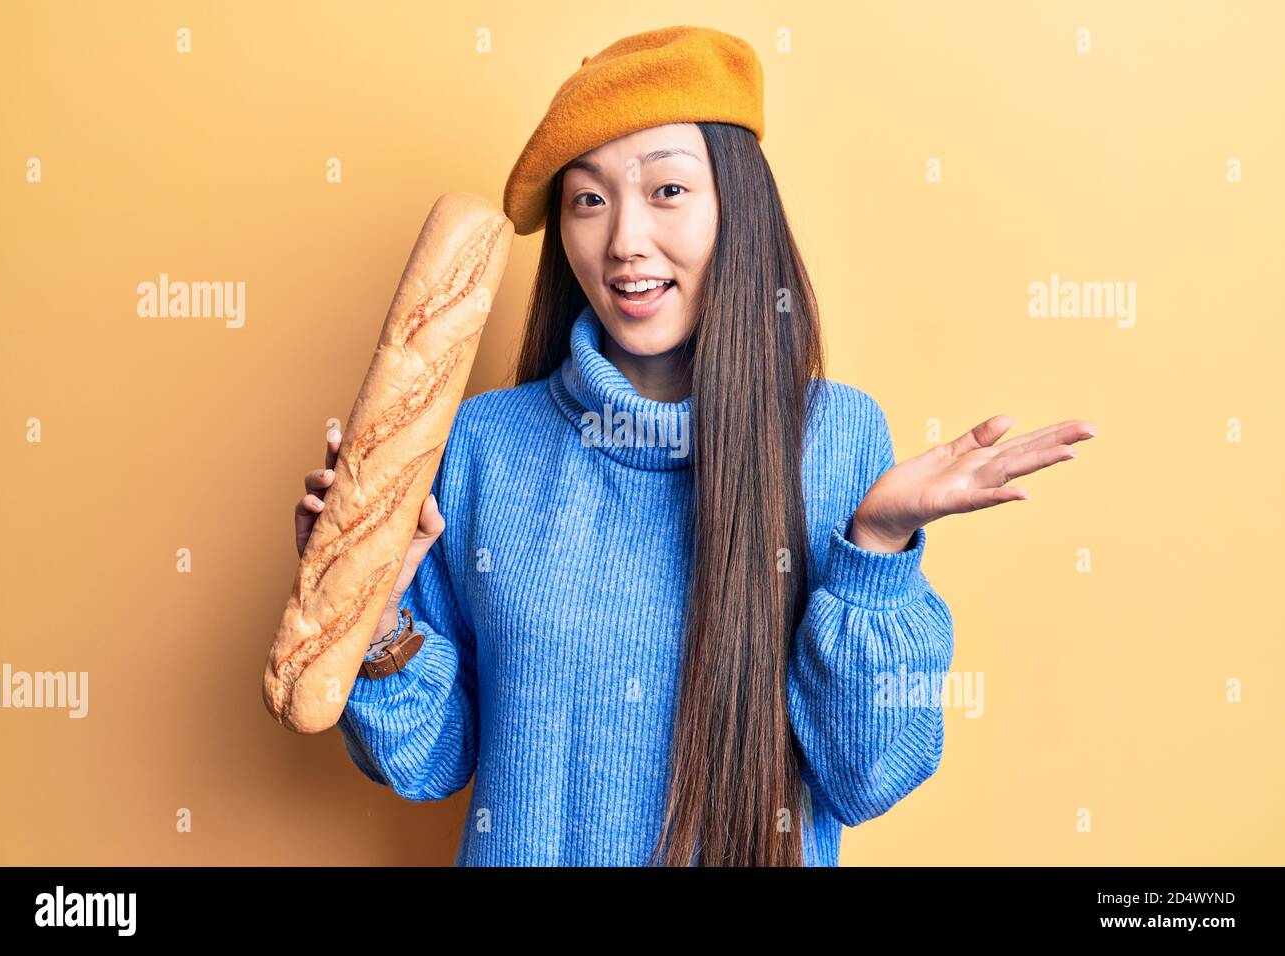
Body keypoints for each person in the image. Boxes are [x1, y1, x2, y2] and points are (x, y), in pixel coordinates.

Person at [291, 26, 1096, 866]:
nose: (624, 240)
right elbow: (433, 761)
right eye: (589, 200)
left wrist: (876, 549)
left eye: (667, 190)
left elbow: (867, 776)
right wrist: (373, 618)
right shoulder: (486, 445)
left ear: (738, 212)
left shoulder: (838, 440)